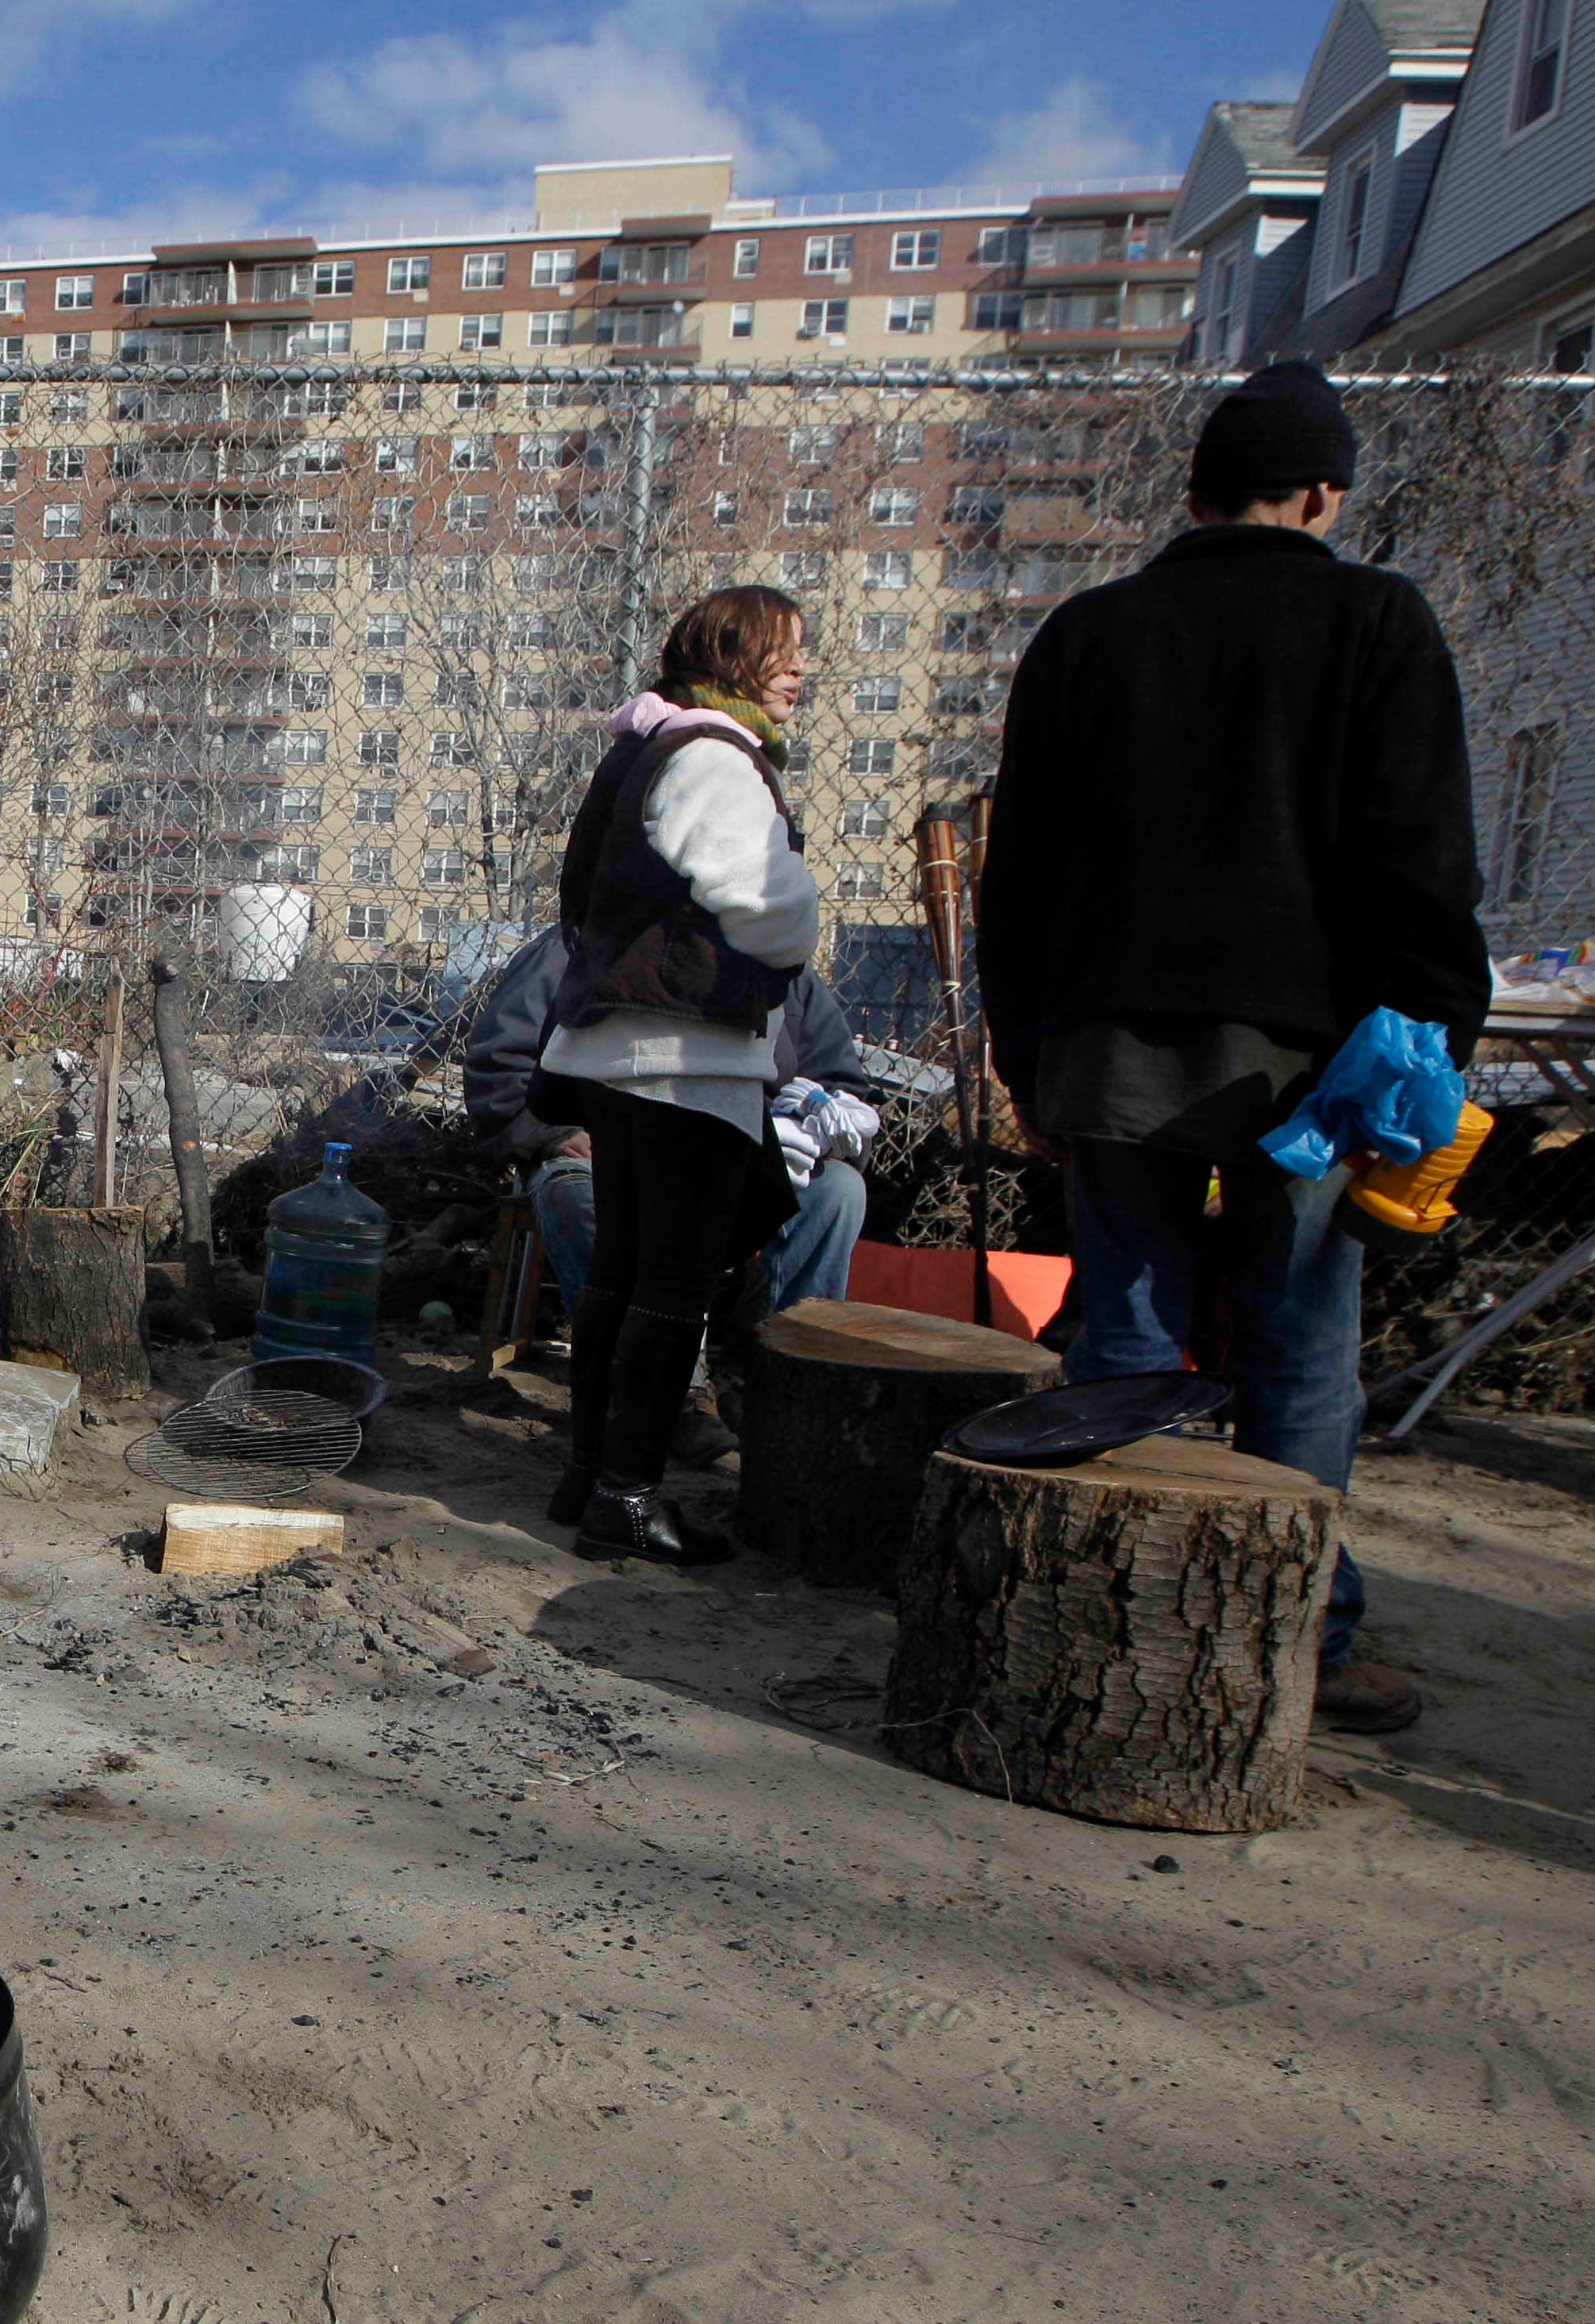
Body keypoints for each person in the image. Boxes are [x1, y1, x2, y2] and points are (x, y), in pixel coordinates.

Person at [981, 360, 1485, 1737]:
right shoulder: (1377, 621)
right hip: (1307, 1060)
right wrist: (1436, 1025)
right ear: (1323, 493)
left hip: (1109, 1037)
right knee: (1301, 1342)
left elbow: (1013, 873)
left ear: (1193, 492)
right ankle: (1295, 1632)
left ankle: (1112, 1619)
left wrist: (1025, 1056)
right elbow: (1420, 852)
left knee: (1126, 1330)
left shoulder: (1090, 634)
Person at [533, 587, 822, 1564]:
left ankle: (592, 1480)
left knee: (624, 1275)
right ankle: (628, 1496)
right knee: (672, 1286)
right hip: (685, 1056)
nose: (800, 669)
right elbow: (765, 902)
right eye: (784, 651)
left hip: (622, 1051)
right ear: (732, 654)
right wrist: (799, 927)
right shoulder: (712, 754)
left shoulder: (651, 745)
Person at [464, 925, 874, 1452]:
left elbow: (841, 1085)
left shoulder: (769, 951)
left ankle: (769, 1385)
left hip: (746, 1146)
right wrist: (556, 1133)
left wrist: (826, 1127)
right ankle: (660, 1391)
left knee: (837, 1192)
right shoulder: (578, 945)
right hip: (604, 1145)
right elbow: (499, 1065)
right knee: (580, 1198)